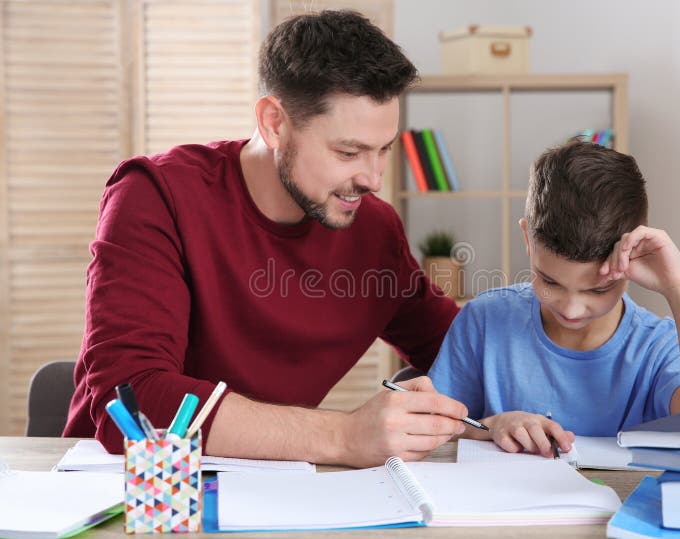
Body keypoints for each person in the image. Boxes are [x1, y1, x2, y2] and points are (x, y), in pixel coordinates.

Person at [64, 10, 469, 468]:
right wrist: (342, 435)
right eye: (348, 152)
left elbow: (465, 349)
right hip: (121, 494)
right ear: (275, 123)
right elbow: (133, 400)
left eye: (384, 150)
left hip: (271, 494)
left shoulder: (373, 229)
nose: (373, 178)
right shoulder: (155, 195)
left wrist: (513, 411)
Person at [428, 140, 680, 456]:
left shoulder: (656, 348)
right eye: (550, 280)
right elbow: (430, 431)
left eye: (598, 289)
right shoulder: (485, 320)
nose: (571, 309)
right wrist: (490, 426)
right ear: (527, 239)